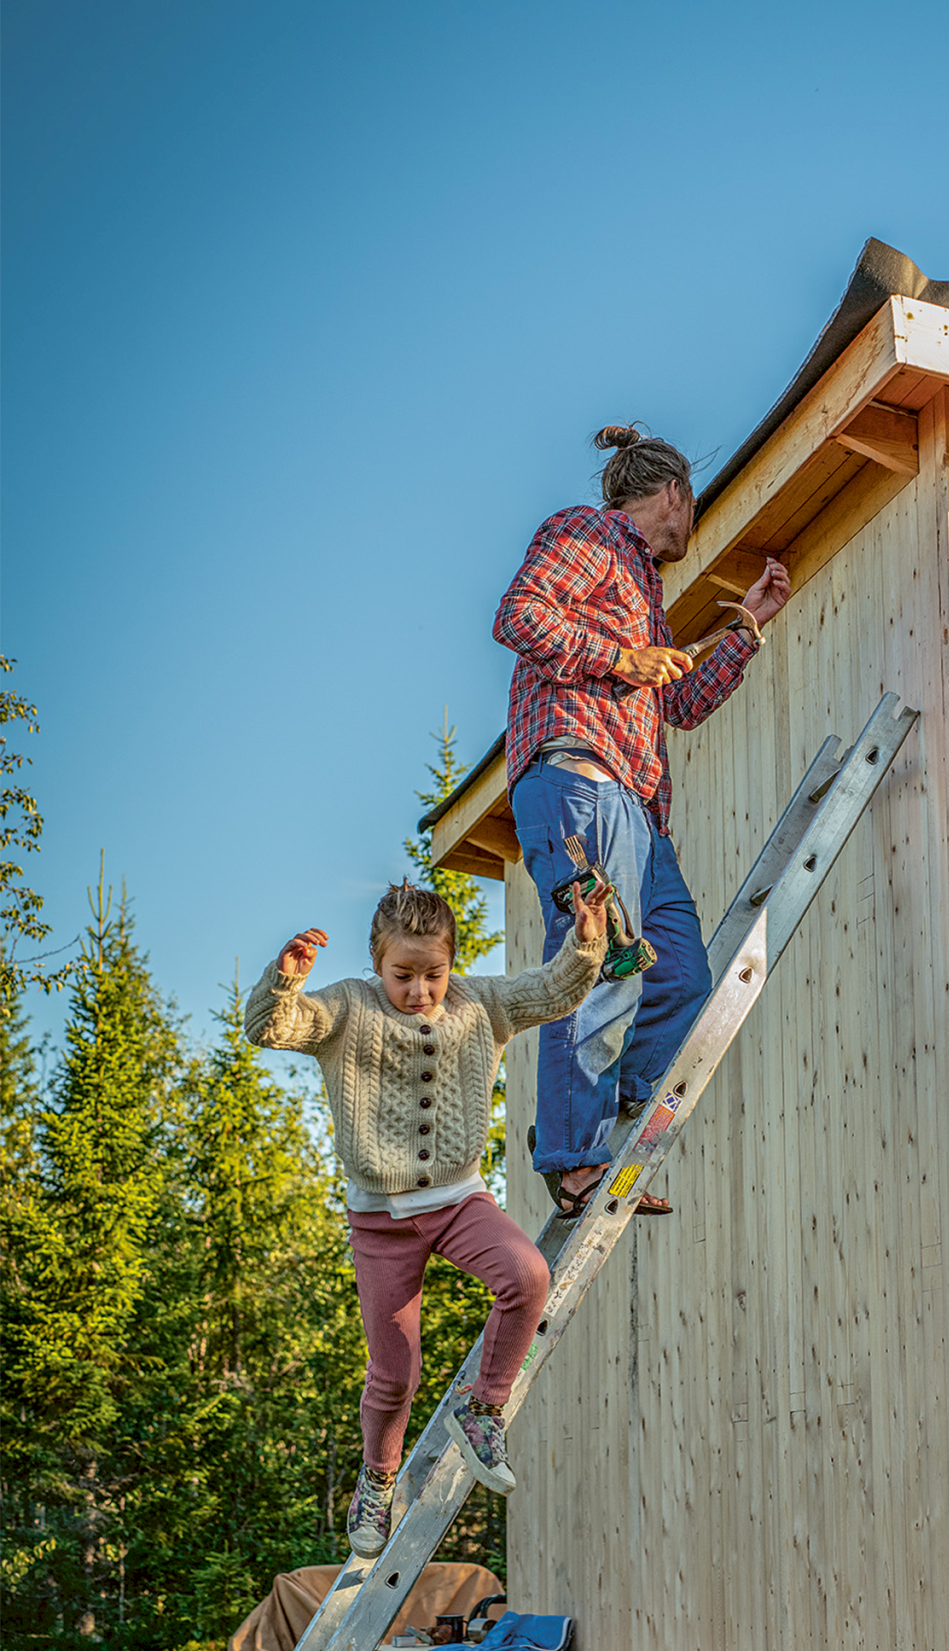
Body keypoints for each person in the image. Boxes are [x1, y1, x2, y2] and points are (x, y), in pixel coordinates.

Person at [243, 877, 607, 1556]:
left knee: (527, 1275)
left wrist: (587, 942)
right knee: (394, 1375)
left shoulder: (479, 1003)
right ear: (376, 962)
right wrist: (284, 980)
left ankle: (483, 1405)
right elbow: (271, 1027)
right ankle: (377, 1483)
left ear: (450, 964)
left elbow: (553, 990)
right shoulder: (348, 1008)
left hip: (458, 1201)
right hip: (379, 1223)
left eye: (432, 974)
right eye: (401, 975)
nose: (418, 991)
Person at [493, 424, 791, 1219]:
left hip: (638, 813)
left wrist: (746, 628)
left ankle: (600, 1118)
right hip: (580, 781)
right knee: (602, 968)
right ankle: (572, 1157)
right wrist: (623, 659)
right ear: (675, 496)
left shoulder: (644, 592)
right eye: (693, 510)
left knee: (683, 979)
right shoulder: (586, 531)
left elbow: (682, 703)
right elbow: (519, 616)